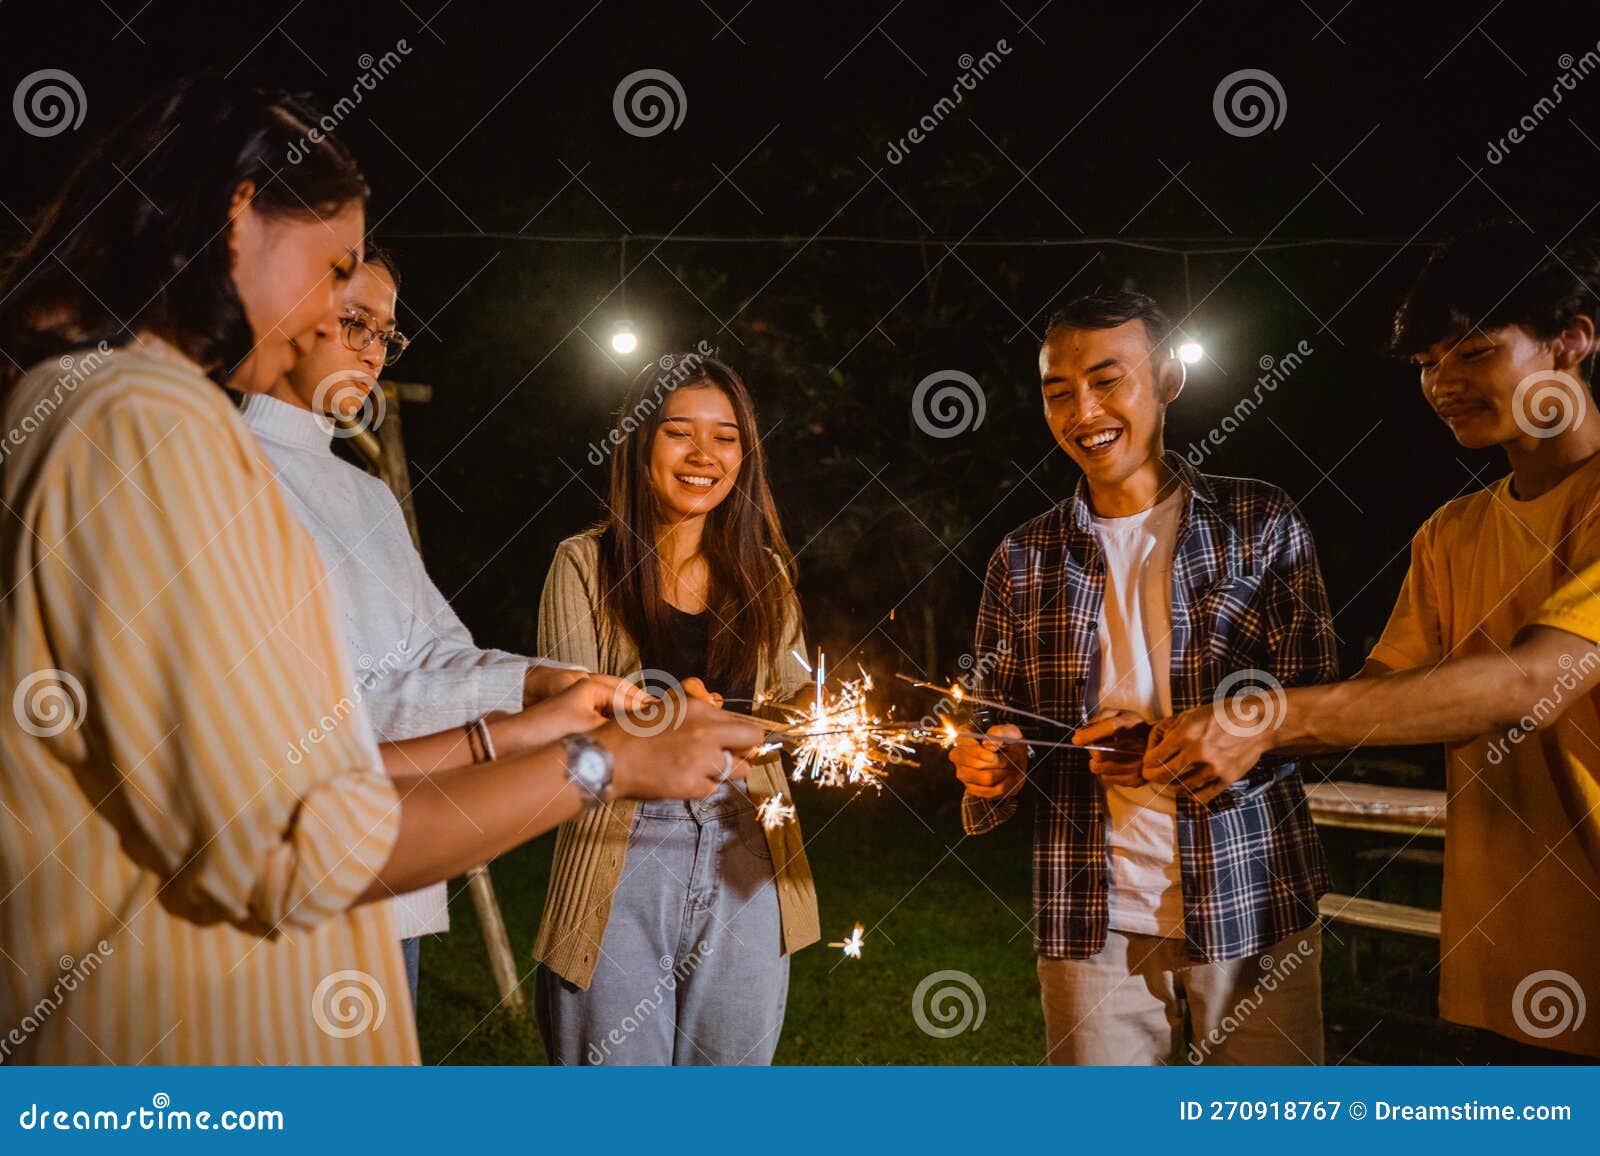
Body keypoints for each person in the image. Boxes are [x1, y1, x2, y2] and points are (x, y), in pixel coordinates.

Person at [0, 75, 761, 1065]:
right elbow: (286, 839)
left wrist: (545, 715)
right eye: (337, 267)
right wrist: (604, 767)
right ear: (239, 218)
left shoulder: (112, 409)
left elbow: (323, 757)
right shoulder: (143, 425)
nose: (336, 320)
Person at [1144, 222, 1600, 1059]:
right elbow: (1380, 696)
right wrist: (1177, 737)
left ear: (1571, 340)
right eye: (1427, 364)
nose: (1444, 384)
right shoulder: (1452, 533)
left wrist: (1263, 724)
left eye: (1471, 351)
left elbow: (1523, 684)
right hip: (1498, 968)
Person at [947, 291, 1336, 1065]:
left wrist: (1179, 745)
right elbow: (995, 722)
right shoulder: (1022, 558)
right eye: (1059, 391)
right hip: (1091, 916)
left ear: (1166, 381)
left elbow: (1322, 708)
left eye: (1107, 379)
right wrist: (993, 763)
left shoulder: (1260, 523)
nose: (1082, 409)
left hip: (1252, 895)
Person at [237, 245, 624, 1007]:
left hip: (405, 862)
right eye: (356, 322)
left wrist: (543, 681)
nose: (373, 349)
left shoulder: (370, 496)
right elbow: (338, 708)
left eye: (388, 332)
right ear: (286, 311)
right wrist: (529, 715)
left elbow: (436, 648)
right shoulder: (227, 472)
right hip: (295, 868)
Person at [533, 354, 820, 1065]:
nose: (704, 456)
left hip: (746, 846)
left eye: (725, 437)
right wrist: (667, 720)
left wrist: (808, 711)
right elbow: (565, 723)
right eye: (678, 433)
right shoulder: (583, 564)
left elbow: (792, 696)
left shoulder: (766, 573)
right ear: (638, 445)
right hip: (618, 853)